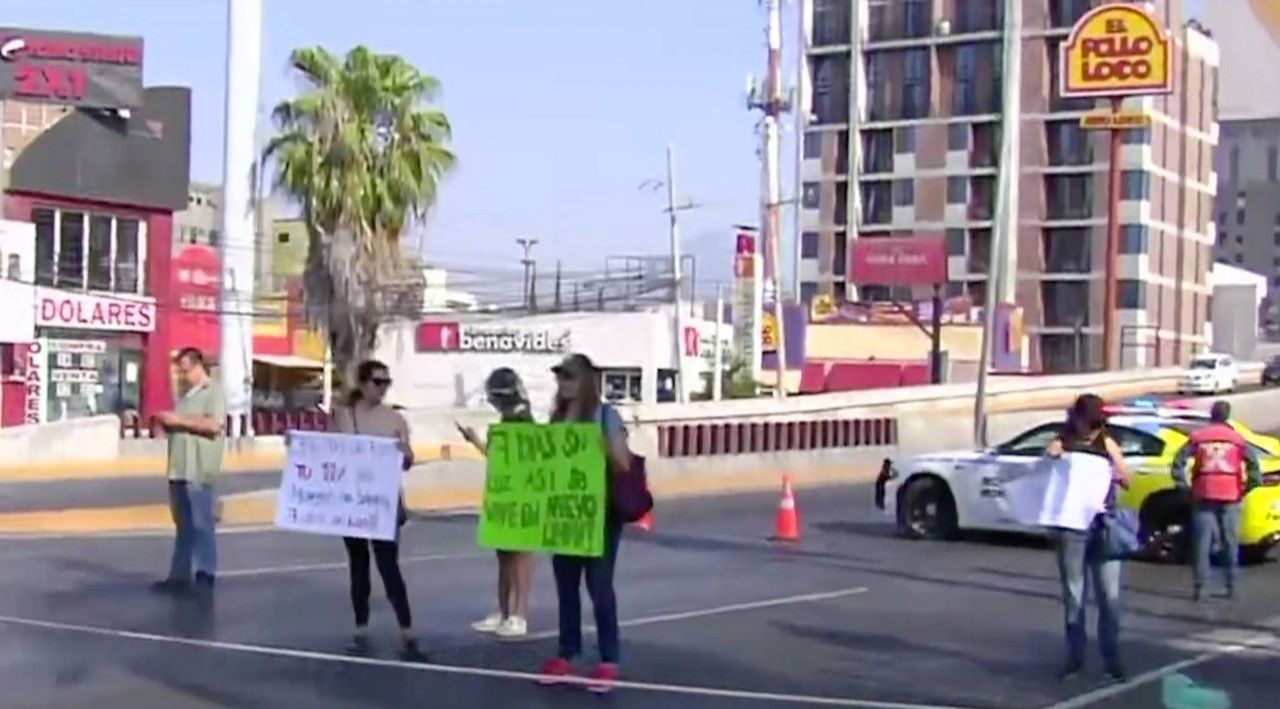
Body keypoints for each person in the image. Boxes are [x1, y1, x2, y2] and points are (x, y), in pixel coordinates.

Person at [537, 353, 632, 694]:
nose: (563, 383)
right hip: (565, 513)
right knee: (566, 586)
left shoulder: (605, 416)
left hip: (600, 514)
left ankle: (609, 658)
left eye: (570, 377)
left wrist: (598, 441)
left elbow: (622, 462)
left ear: (585, 381)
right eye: (560, 377)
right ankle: (567, 651)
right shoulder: (556, 419)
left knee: (599, 587)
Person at [330, 359, 427, 661]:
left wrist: (404, 453)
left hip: (383, 503)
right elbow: (328, 452)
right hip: (353, 502)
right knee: (358, 565)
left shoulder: (396, 420)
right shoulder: (343, 416)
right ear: (362, 384)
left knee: (388, 565)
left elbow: (408, 459)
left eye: (387, 382)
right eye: (377, 382)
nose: (382, 388)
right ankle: (361, 628)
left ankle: (406, 629)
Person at [1044, 393, 1132, 682]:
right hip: (1086, 527)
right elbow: (1127, 479)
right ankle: (1092, 660)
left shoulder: (1085, 442)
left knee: (1092, 596)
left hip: (1087, 527)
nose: (1090, 426)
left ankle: (1094, 659)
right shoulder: (1083, 442)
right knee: (1090, 596)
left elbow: (1126, 477)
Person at [459, 367, 536, 638]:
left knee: (521, 556)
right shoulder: (505, 423)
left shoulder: (525, 424)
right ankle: (503, 611)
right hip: (503, 495)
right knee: (504, 556)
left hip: (523, 496)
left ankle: (520, 614)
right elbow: (498, 458)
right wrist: (476, 441)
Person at [1170, 401, 1262, 601]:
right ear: (1227, 416)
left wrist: (1184, 487)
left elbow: (1178, 463)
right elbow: (1255, 467)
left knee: (1202, 543)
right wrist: (1246, 488)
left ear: (1211, 416)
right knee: (1230, 543)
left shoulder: (1198, 437)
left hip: (1203, 493)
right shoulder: (1237, 439)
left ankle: (1201, 588)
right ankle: (1231, 586)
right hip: (1231, 495)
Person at [152, 348, 225, 597]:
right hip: (179, 469)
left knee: (202, 523)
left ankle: (205, 572)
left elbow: (213, 425)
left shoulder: (213, 391)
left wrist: (178, 421)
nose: (183, 376)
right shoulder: (185, 397)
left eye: (185, 371)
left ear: (197, 366)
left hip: (199, 469)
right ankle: (179, 575)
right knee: (183, 525)